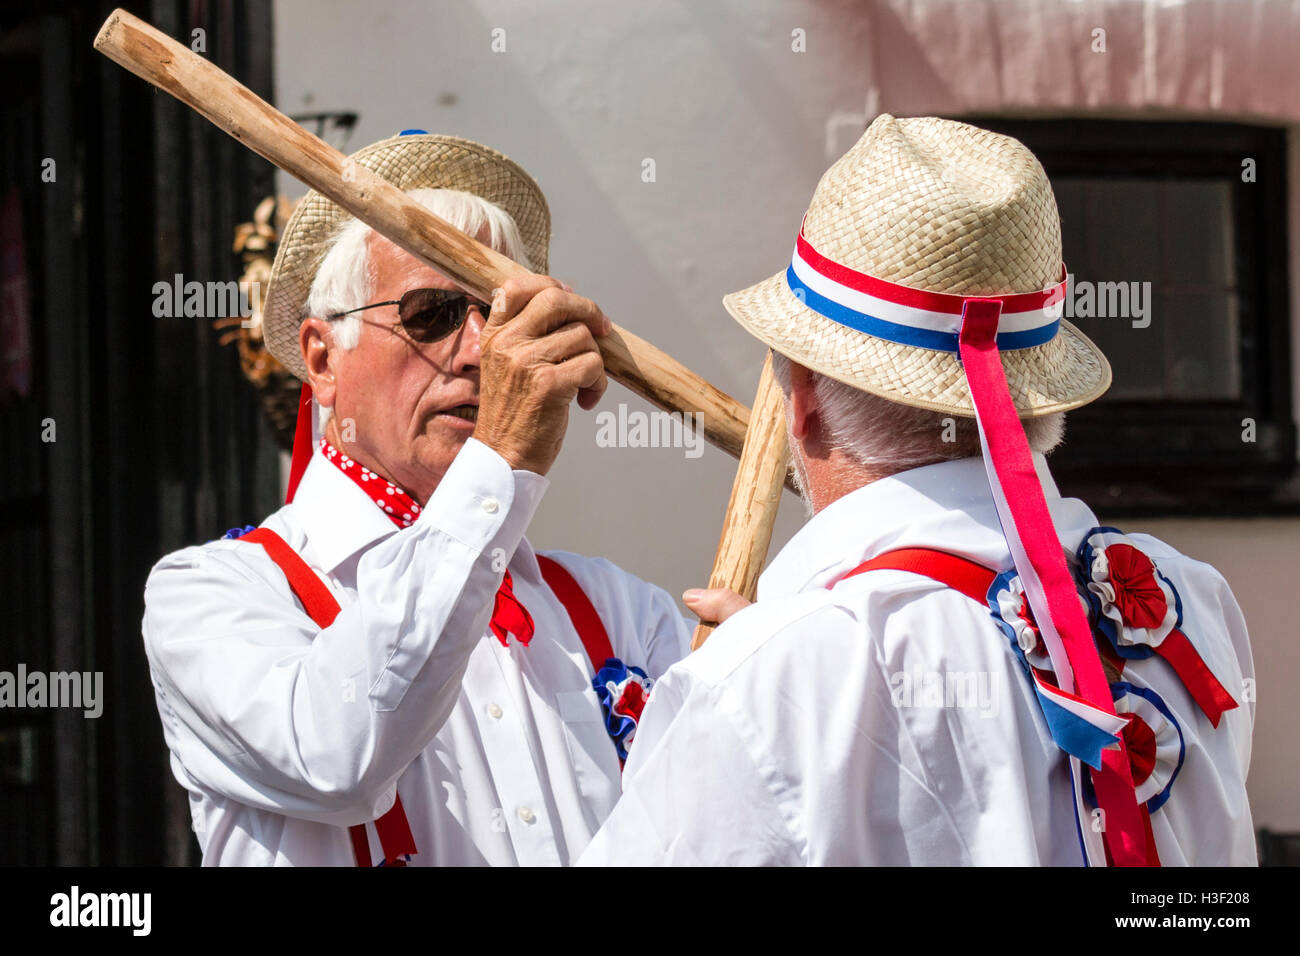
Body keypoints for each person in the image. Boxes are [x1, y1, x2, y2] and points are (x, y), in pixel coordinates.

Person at [580, 115, 1256, 866]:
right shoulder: (1189, 602)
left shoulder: (772, 683)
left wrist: (775, 677)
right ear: (1040, 397)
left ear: (798, 394)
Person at [142, 132, 690, 866]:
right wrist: (500, 463)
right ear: (321, 358)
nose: (476, 353)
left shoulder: (625, 612)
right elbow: (338, 761)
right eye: (430, 312)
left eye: (497, 319)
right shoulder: (210, 597)